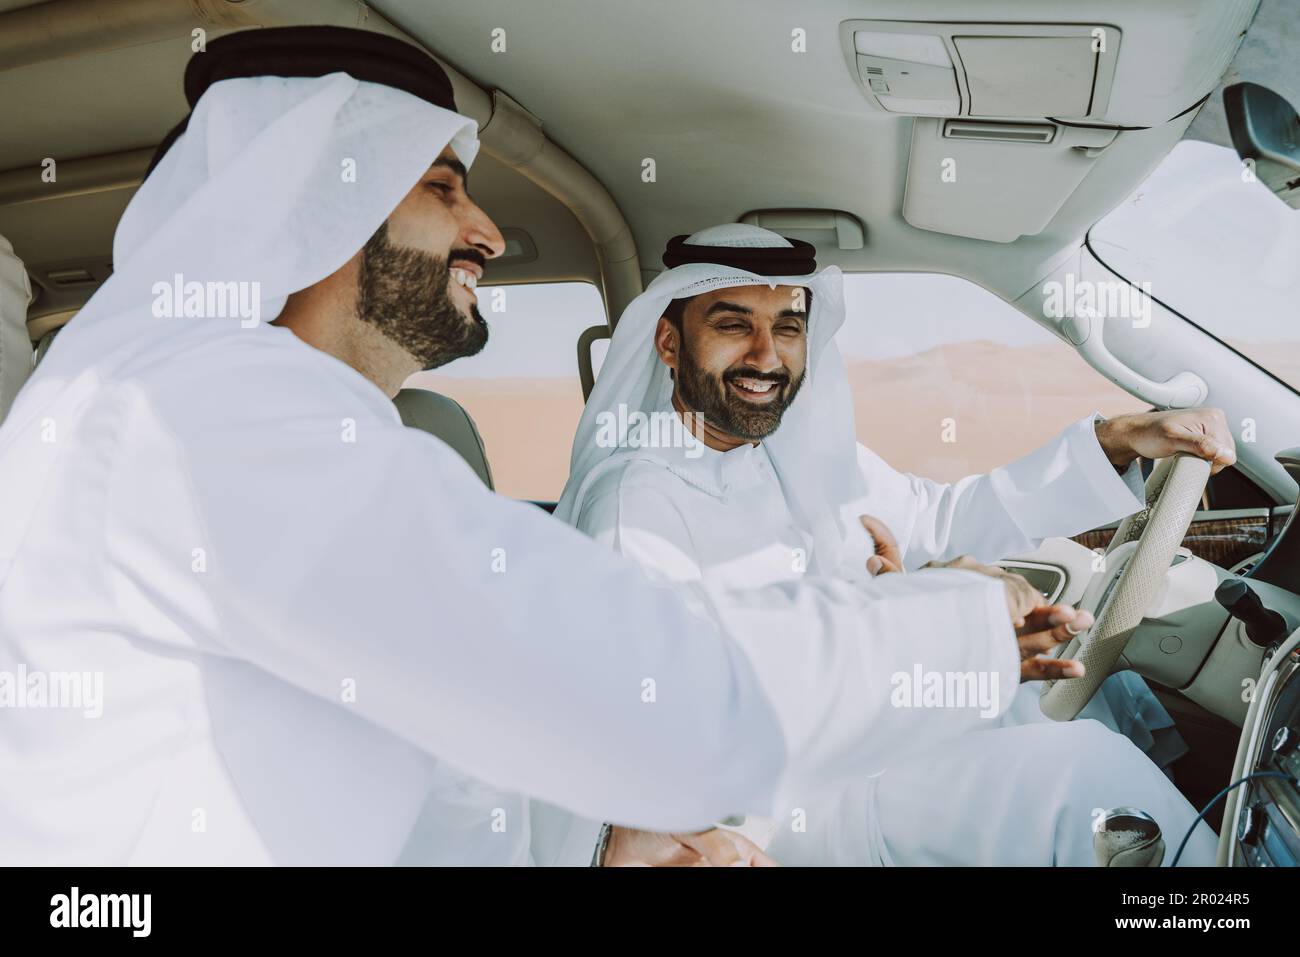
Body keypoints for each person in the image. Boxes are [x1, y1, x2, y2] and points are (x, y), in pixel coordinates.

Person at [0, 27, 1072, 866]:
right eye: (441, 187)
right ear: (322, 199)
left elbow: (415, 766)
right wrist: (958, 624)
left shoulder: (241, 412)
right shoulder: (202, 416)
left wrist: (594, 844)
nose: (488, 233)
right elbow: (643, 689)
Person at [558, 224, 1228, 865]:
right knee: (1088, 776)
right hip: (787, 801)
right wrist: (898, 612)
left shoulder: (794, 452)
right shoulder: (633, 505)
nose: (766, 354)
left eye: (787, 326)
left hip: (865, 730)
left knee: (1079, 703)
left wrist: (1115, 440)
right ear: (670, 343)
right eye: (734, 324)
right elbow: (675, 704)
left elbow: (940, 517)